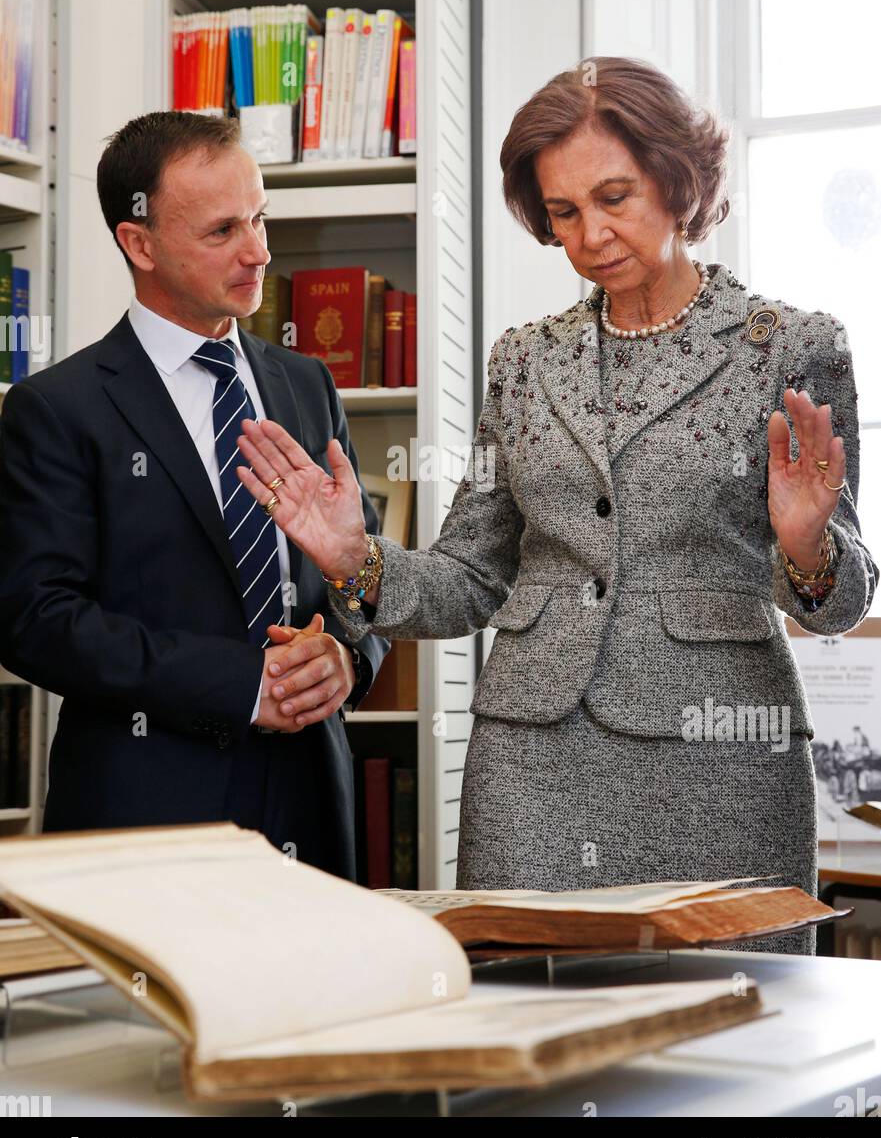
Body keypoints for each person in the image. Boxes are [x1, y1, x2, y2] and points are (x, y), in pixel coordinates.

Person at [229, 59, 878, 954]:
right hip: (531, 762)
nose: (590, 235)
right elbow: (470, 574)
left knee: (733, 1015)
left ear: (678, 179)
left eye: (614, 197)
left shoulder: (791, 347)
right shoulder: (523, 361)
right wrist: (354, 559)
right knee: (519, 998)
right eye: (563, 212)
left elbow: (841, 603)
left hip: (720, 758)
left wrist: (806, 546)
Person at [0, 111, 389, 879]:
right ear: (139, 243)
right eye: (222, 231)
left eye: (259, 218)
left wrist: (347, 659)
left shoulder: (306, 383)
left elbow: (365, 569)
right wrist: (242, 685)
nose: (259, 251)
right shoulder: (56, 408)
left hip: (311, 797)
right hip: (144, 814)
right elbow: (35, 621)